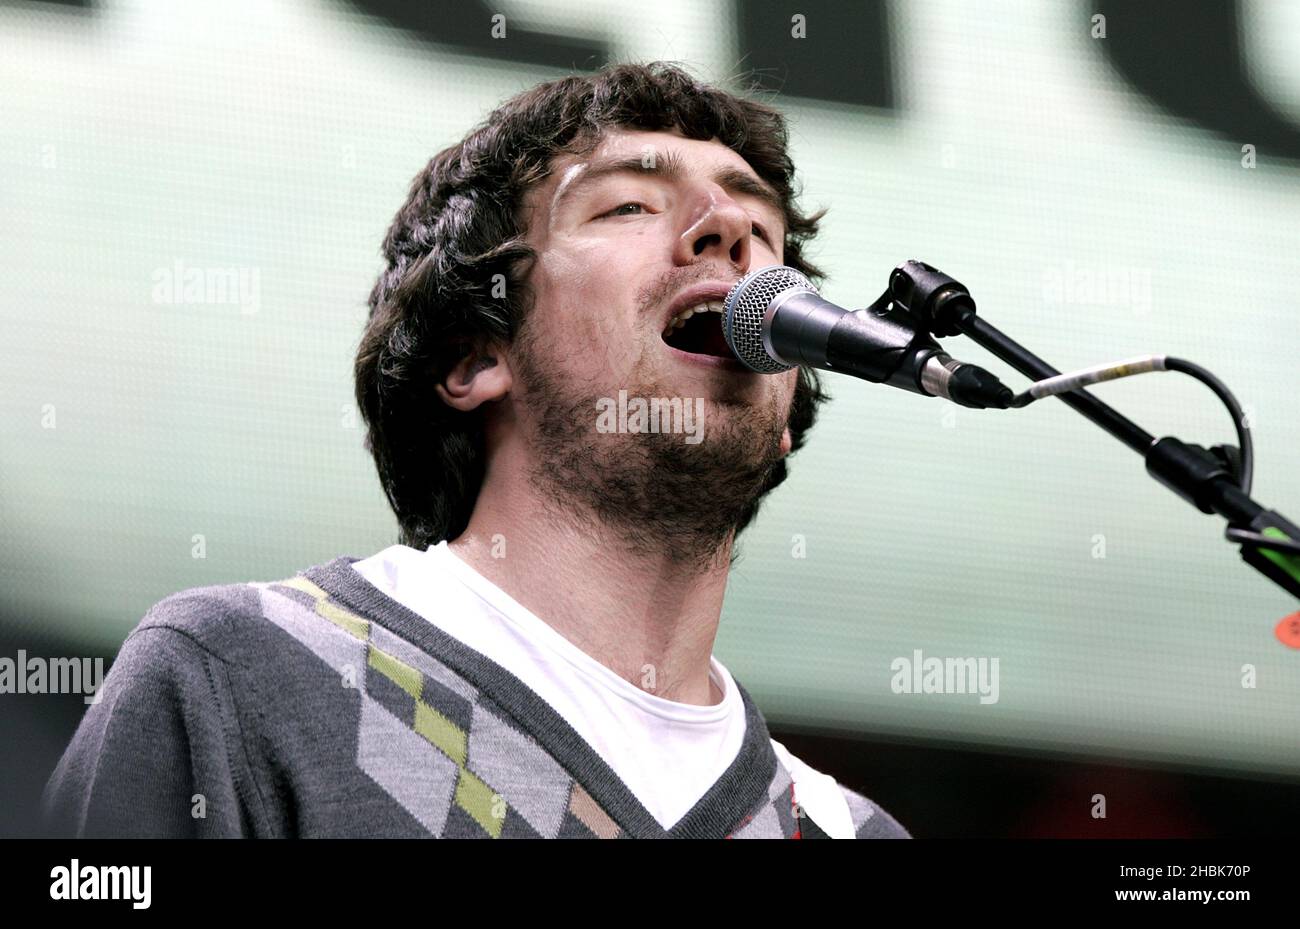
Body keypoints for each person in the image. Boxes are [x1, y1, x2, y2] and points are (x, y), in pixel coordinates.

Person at [41, 61, 909, 839]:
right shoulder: (241, 676)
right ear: (473, 355)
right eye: (631, 204)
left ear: (788, 399)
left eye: (759, 226)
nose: (727, 230)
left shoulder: (841, 830)